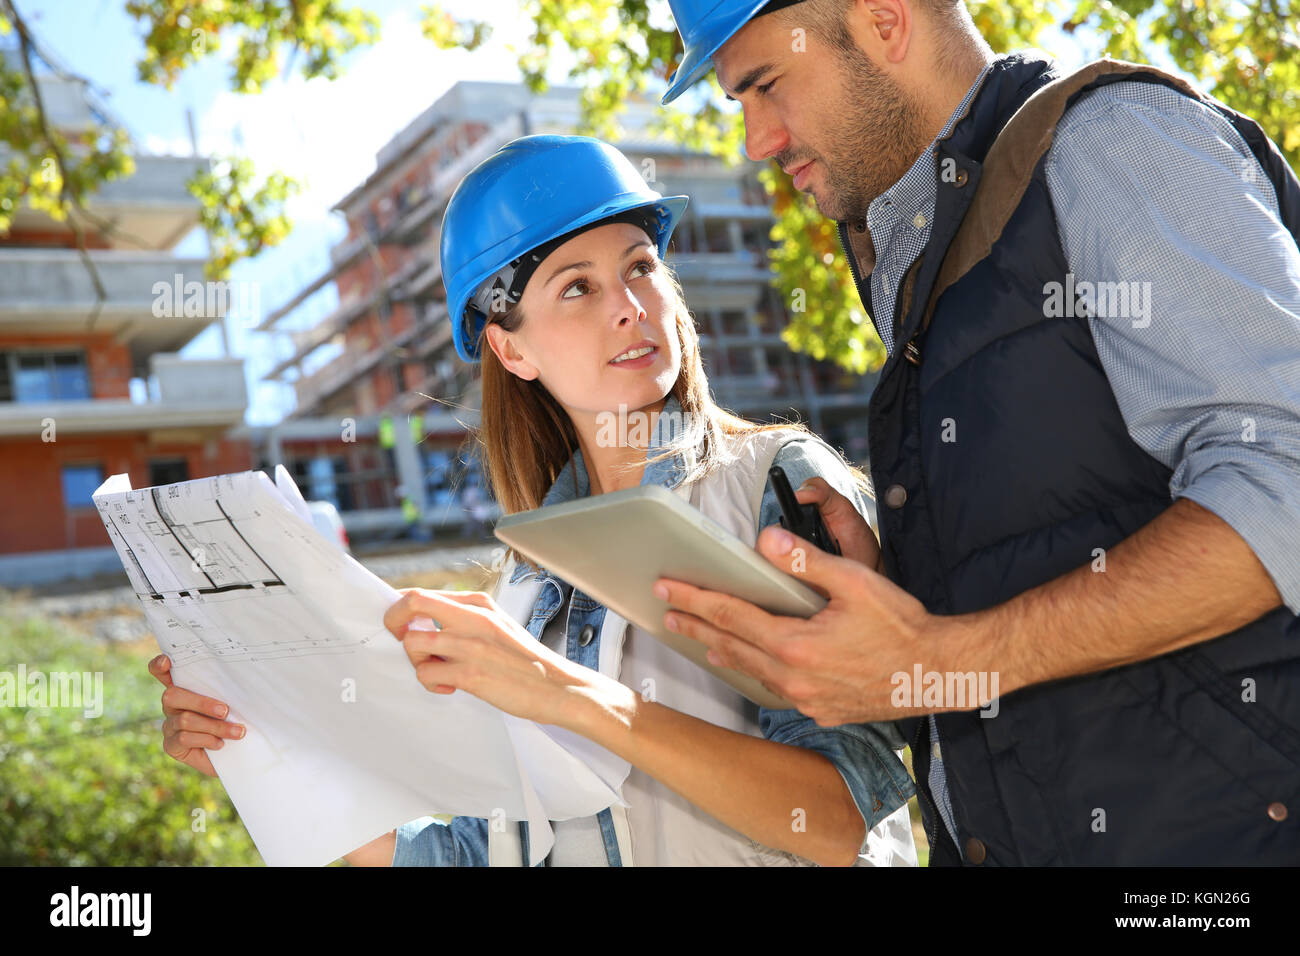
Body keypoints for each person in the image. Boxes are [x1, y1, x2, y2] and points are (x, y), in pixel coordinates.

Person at [150, 133, 919, 867]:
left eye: (641, 266)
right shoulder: (527, 587)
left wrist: (562, 693)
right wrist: (274, 751)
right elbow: (486, 855)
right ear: (510, 348)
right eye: (578, 286)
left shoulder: (774, 485)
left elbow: (839, 816)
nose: (629, 305)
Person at [650, 0, 1300, 864]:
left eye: (766, 86)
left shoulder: (1112, 142)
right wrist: (902, 596)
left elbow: (1283, 483)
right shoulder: (917, 254)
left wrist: (941, 655)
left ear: (883, 23)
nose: (758, 140)